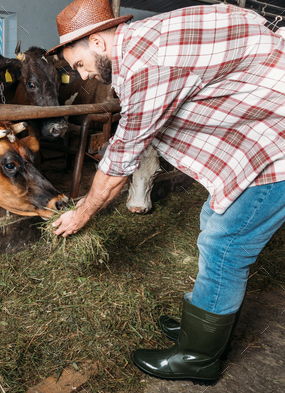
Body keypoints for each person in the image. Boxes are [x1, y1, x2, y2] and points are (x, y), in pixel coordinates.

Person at [49, 0, 285, 385]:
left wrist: (82, 213)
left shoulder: (147, 66)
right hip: (259, 128)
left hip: (276, 147)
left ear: (98, 42)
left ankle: (198, 357)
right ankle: (205, 327)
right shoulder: (148, 36)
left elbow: (121, 158)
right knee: (214, 219)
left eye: (79, 64)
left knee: (225, 244)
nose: (82, 75)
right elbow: (241, 19)